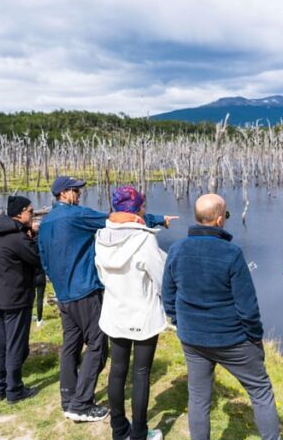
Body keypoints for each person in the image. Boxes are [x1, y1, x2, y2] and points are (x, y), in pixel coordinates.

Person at [38, 175, 176, 423]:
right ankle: (81, 404)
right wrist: (157, 220)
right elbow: (116, 219)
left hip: (63, 294)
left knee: (70, 345)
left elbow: (44, 258)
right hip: (84, 291)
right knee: (97, 346)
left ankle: (68, 398)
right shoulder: (75, 215)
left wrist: (57, 285)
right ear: (63, 194)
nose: (79, 195)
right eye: (75, 191)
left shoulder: (46, 221)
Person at [162, 194, 280, 440]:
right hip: (232, 340)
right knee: (260, 390)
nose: (225, 220)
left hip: (193, 339)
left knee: (198, 397)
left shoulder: (176, 249)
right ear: (218, 220)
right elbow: (247, 307)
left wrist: (179, 322)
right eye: (225, 215)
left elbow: (168, 295)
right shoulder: (232, 253)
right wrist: (255, 339)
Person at [95, 185, 167, 440]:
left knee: (117, 371)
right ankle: (139, 433)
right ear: (136, 209)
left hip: (115, 312)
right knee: (141, 373)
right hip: (143, 316)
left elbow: (102, 275)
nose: (145, 209)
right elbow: (160, 278)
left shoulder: (102, 235)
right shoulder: (144, 238)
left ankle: (118, 429)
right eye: (143, 205)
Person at [0, 195, 41, 404]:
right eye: (31, 212)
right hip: (16, 299)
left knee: (0, 343)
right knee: (15, 344)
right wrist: (35, 236)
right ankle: (14, 391)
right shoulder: (18, 238)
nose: (32, 215)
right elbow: (37, 258)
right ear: (21, 212)